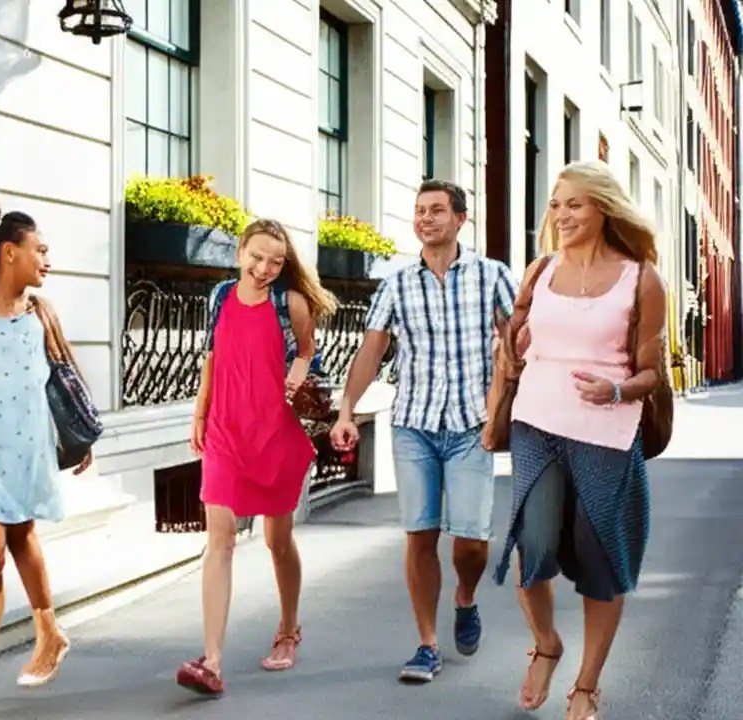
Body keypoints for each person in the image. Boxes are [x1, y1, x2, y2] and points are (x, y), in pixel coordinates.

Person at [487, 161, 665, 720]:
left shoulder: (641, 278)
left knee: (599, 557)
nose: (561, 215)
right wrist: (511, 345)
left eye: (575, 205)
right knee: (531, 542)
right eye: (556, 204)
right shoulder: (540, 271)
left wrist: (616, 389)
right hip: (537, 422)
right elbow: (515, 340)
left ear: (603, 209)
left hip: (606, 433)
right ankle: (546, 643)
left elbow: (652, 372)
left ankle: (587, 684)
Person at [329, 180, 517, 683]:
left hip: (471, 427)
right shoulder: (396, 282)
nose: (426, 218)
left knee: (471, 542)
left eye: (437, 210)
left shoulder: (492, 276)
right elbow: (372, 351)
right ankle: (427, 644)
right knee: (419, 535)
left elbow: (520, 341)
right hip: (413, 423)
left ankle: (466, 597)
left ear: (461, 218)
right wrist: (347, 409)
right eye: (419, 211)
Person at [175, 219, 338, 695]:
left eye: (276, 261)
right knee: (219, 541)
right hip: (226, 432)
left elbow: (308, 352)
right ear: (239, 251)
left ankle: (288, 629)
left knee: (277, 541)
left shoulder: (292, 303)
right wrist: (199, 414)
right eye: (257, 256)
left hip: (276, 433)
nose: (265, 268)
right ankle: (212, 660)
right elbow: (211, 356)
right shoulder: (221, 296)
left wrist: (297, 374)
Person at [0, 195, 94, 688]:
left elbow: (67, 378)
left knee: (22, 536)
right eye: (39, 250)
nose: (47, 260)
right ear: (10, 253)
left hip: (25, 450)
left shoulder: (41, 315)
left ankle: (49, 632)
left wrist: (79, 436)